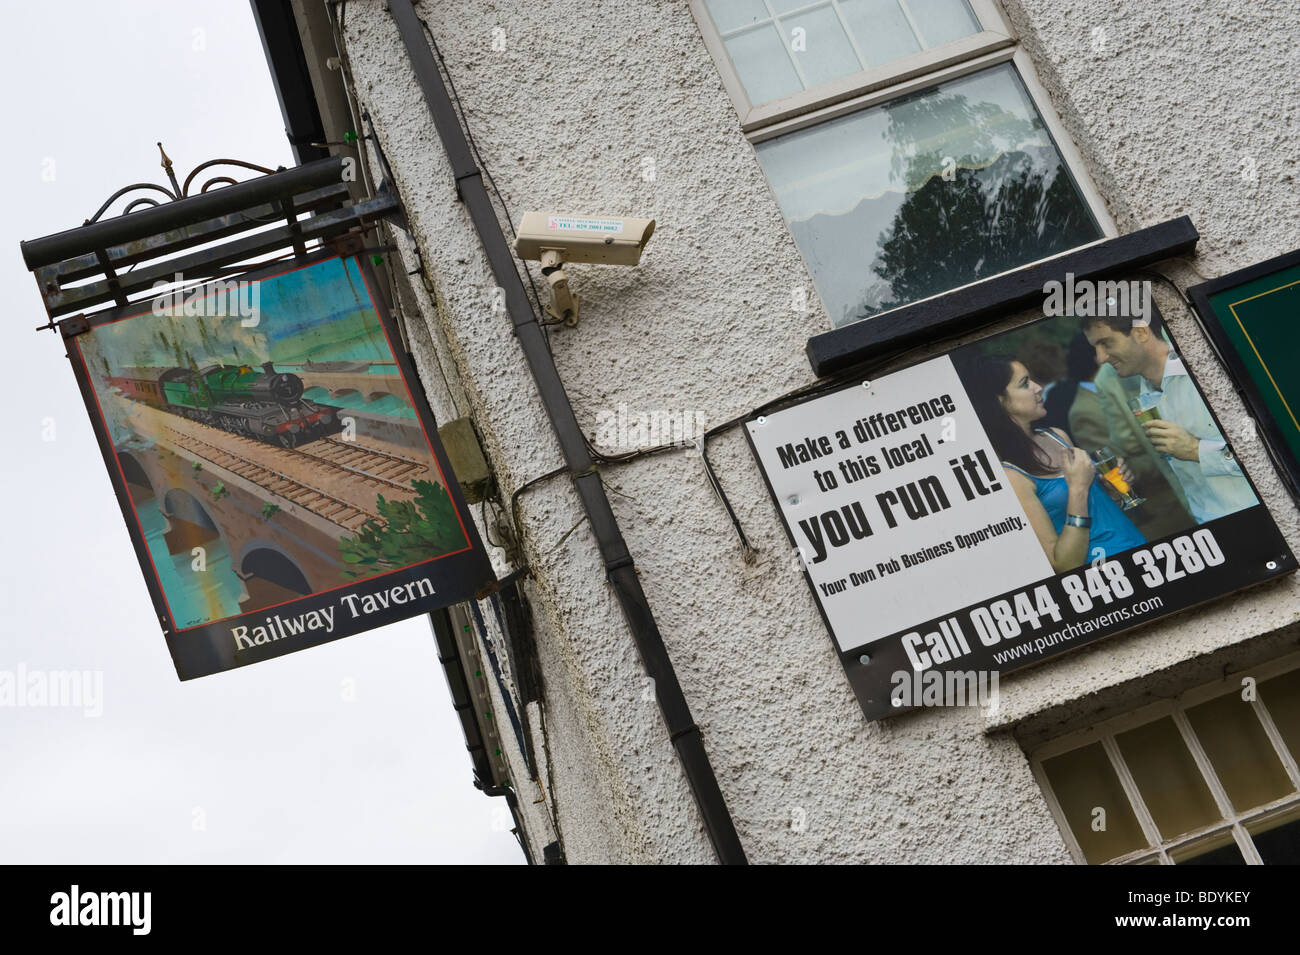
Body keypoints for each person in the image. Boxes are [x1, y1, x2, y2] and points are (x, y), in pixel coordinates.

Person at [955, 353, 1145, 571]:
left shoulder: (1057, 436)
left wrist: (1114, 495)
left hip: (1137, 547)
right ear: (999, 402)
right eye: (1025, 384)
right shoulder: (1011, 475)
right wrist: (1078, 489)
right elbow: (1062, 563)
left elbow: (1098, 513)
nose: (1038, 387)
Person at [1081, 311, 1257, 523]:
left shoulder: (1209, 370)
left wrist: (1194, 450)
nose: (1100, 358)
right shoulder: (1142, 398)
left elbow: (1270, 450)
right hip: (1209, 522)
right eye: (1095, 348)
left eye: (1106, 343)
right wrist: (1129, 471)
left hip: (1259, 512)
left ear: (1141, 332)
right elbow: (1155, 459)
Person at [1067, 333, 1196, 540]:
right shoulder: (1083, 411)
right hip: (1164, 511)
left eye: (1107, 345)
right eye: (1099, 349)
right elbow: (1116, 463)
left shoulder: (1125, 379)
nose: (1104, 356)